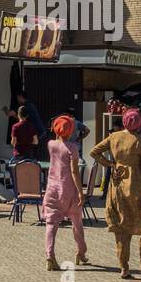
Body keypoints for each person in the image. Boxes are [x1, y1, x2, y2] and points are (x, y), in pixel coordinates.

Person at [90, 107, 141, 279]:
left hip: (117, 187)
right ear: (140, 123)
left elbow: (94, 152)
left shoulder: (114, 137)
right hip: (137, 188)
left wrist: (111, 164)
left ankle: (124, 268)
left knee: (122, 228)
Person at [43, 115, 87, 271]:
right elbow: (75, 171)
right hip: (69, 190)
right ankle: (81, 252)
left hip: (52, 189)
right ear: (71, 131)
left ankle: (50, 256)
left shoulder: (51, 144)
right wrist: (81, 192)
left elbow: (57, 140)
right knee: (77, 221)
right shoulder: (73, 148)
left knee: (51, 223)